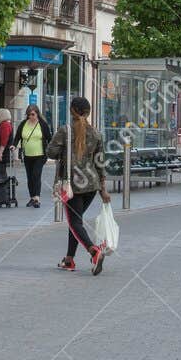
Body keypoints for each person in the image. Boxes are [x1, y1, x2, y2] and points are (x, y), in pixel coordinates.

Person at [46, 96, 109, 274]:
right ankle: (69, 259)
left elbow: (51, 152)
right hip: (92, 185)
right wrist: (103, 189)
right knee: (76, 222)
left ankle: (93, 251)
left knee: (75, 222)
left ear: (72, 110)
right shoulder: (96, 133)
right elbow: (100, 163)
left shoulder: (65, 131)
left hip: (72, 185)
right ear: (88, 112)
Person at [13, 104, 49, 208]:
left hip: (40, 155)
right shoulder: (24, 123)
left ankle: (37, 198)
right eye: (29, 114)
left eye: (33, 114)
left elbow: (49, 138)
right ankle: (32, 197)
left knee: (36, 175)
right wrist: (13, 146)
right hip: (27, 155)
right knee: (30, 177)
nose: (31, 117)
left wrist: (51, 152)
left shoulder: (42, 124)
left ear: (37, 114)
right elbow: (17, 137)